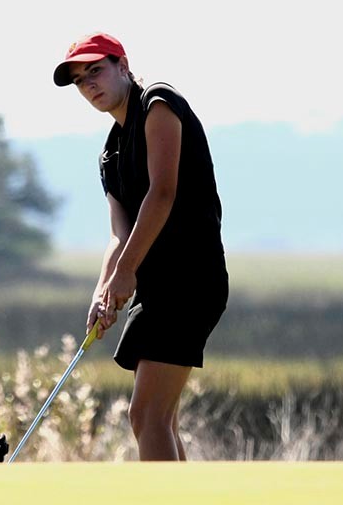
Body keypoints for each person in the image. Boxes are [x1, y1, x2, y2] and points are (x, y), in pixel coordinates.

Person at [52, 32, 229, 461]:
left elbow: (162, 194)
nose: (89, 85)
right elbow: (120, 231)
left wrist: (125, 273)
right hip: (155, 286)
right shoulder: (109, 154)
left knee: (147, 413)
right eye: (80, 81)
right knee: (155, 418)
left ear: (123, 65)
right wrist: (103, 289)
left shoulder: (159, 104)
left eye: (96, 70)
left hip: (190, 278)